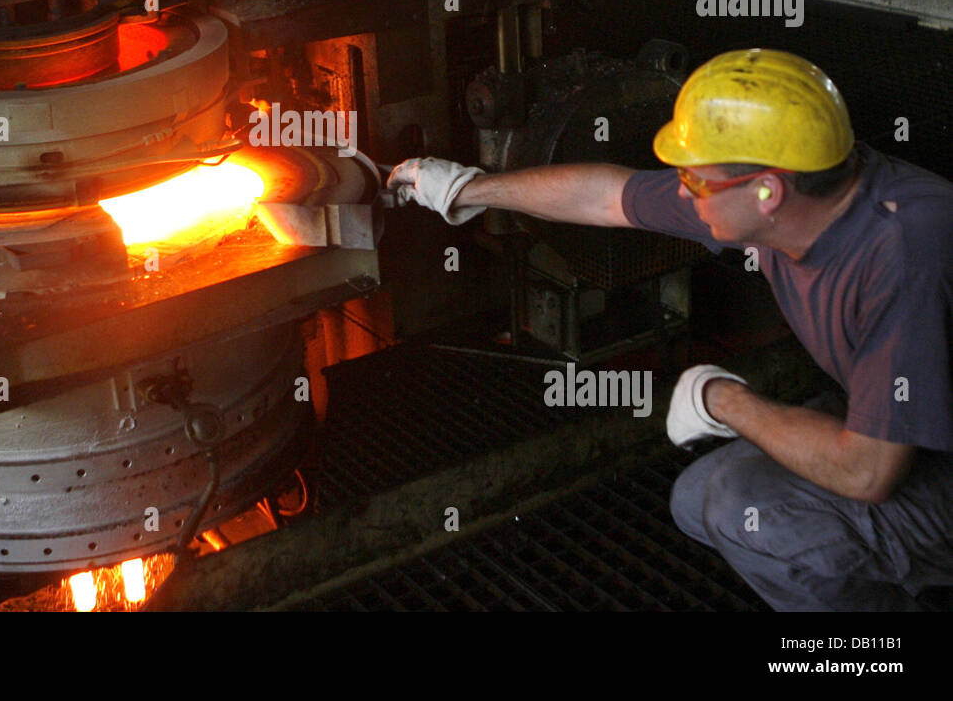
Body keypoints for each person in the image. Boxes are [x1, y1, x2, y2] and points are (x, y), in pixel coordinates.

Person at [387, 48, 953, 611]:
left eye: (695, 181)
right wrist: (468, 190)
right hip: (909, 436)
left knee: (740, 510)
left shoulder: (904, 257)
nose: (682, 192)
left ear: (768, 193)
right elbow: (609, 195)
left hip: (909, 465)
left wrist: (723, 398)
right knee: (695, 499)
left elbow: (866, 471)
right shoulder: (785, 192)